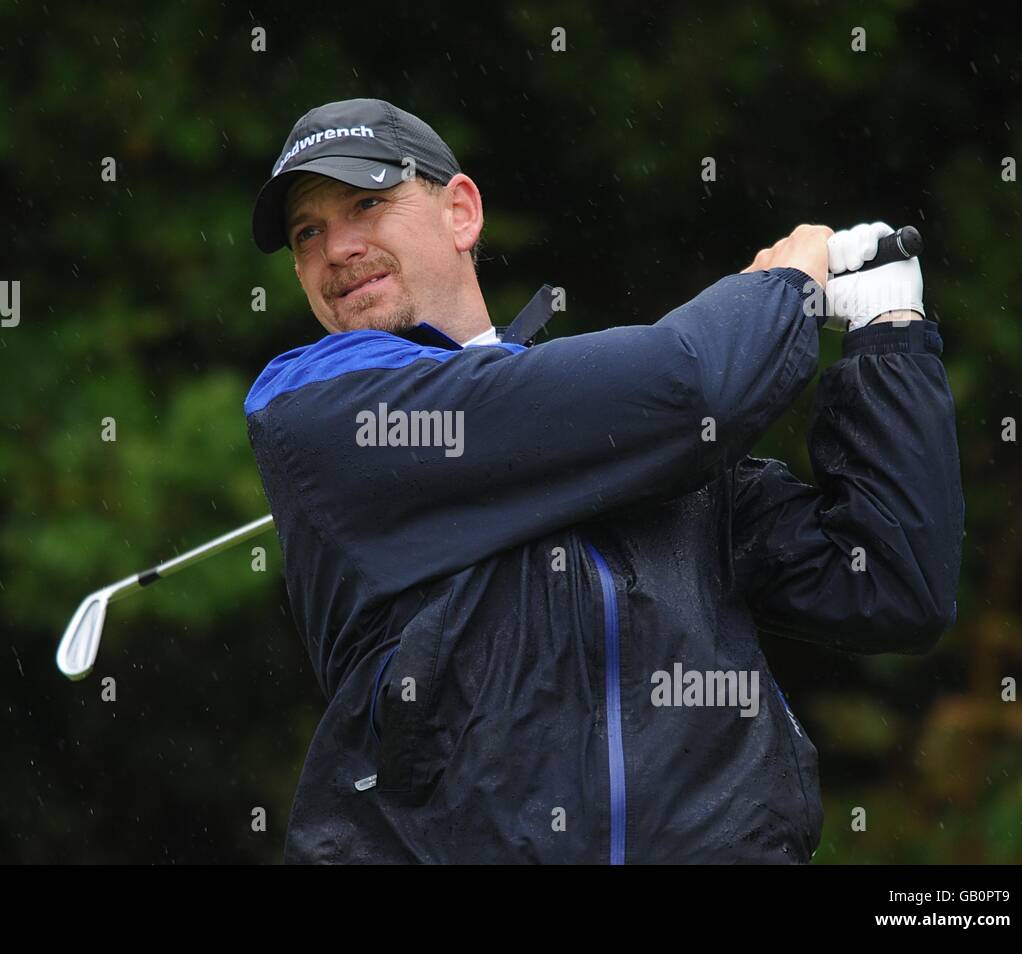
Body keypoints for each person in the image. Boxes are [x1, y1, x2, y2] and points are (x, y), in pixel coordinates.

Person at [243, 98, 963, 863]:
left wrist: (890, 335)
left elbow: (893, 582)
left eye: (366, 203)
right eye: (307, 233)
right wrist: (787, 282)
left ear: (461, 212)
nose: (338, 247)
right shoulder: (315, 408)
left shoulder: (626, 437)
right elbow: (698, 385)